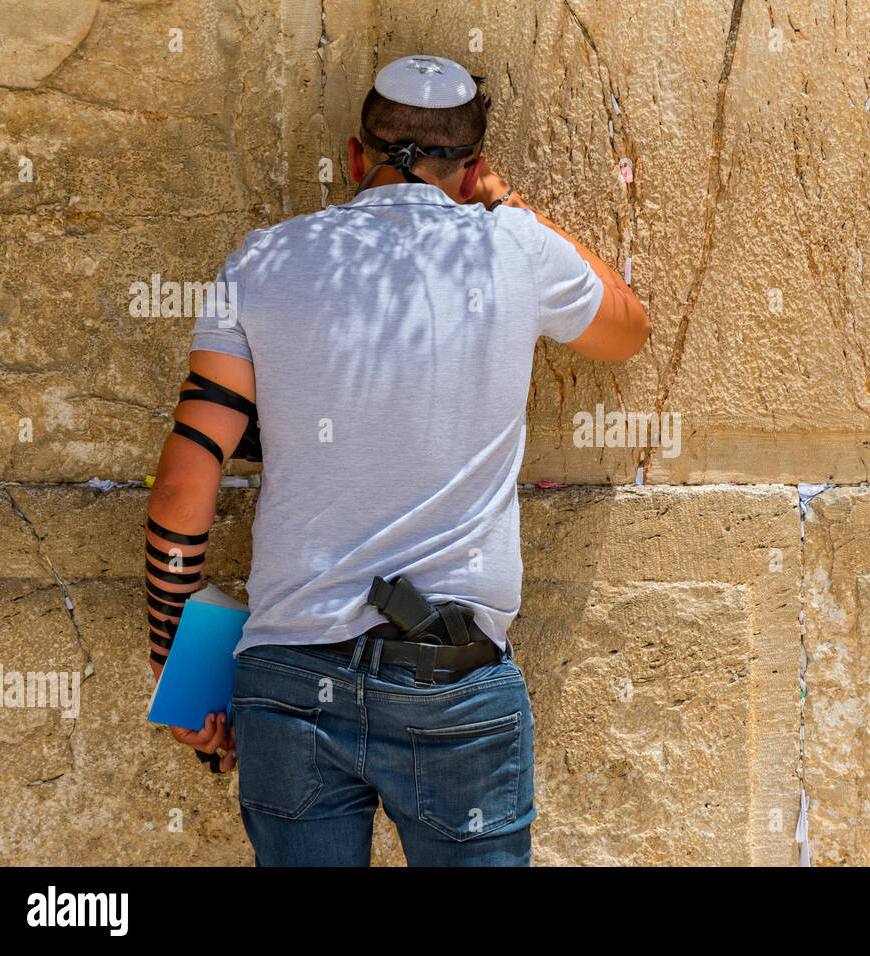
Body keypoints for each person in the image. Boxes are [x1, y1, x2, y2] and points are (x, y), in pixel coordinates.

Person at [142, 53, 649, 865]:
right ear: (472, 165)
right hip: (453, 683)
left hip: (290, 682)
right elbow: (628, 329)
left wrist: (182, 674)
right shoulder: (512, 247)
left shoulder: (264, 262)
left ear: (354, 156)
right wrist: (507, 204)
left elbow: (181, 487)